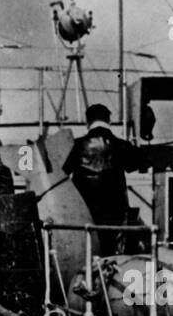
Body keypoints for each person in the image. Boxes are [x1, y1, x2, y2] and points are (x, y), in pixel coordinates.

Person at [62, 103, 147, 255]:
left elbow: (62, 174)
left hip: (84, 211)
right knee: (111, 256)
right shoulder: (122, 146)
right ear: (110, 122)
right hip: (115, 213)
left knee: (87, 253)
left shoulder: (74, 146)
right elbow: (142, 162)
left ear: (87, 123)